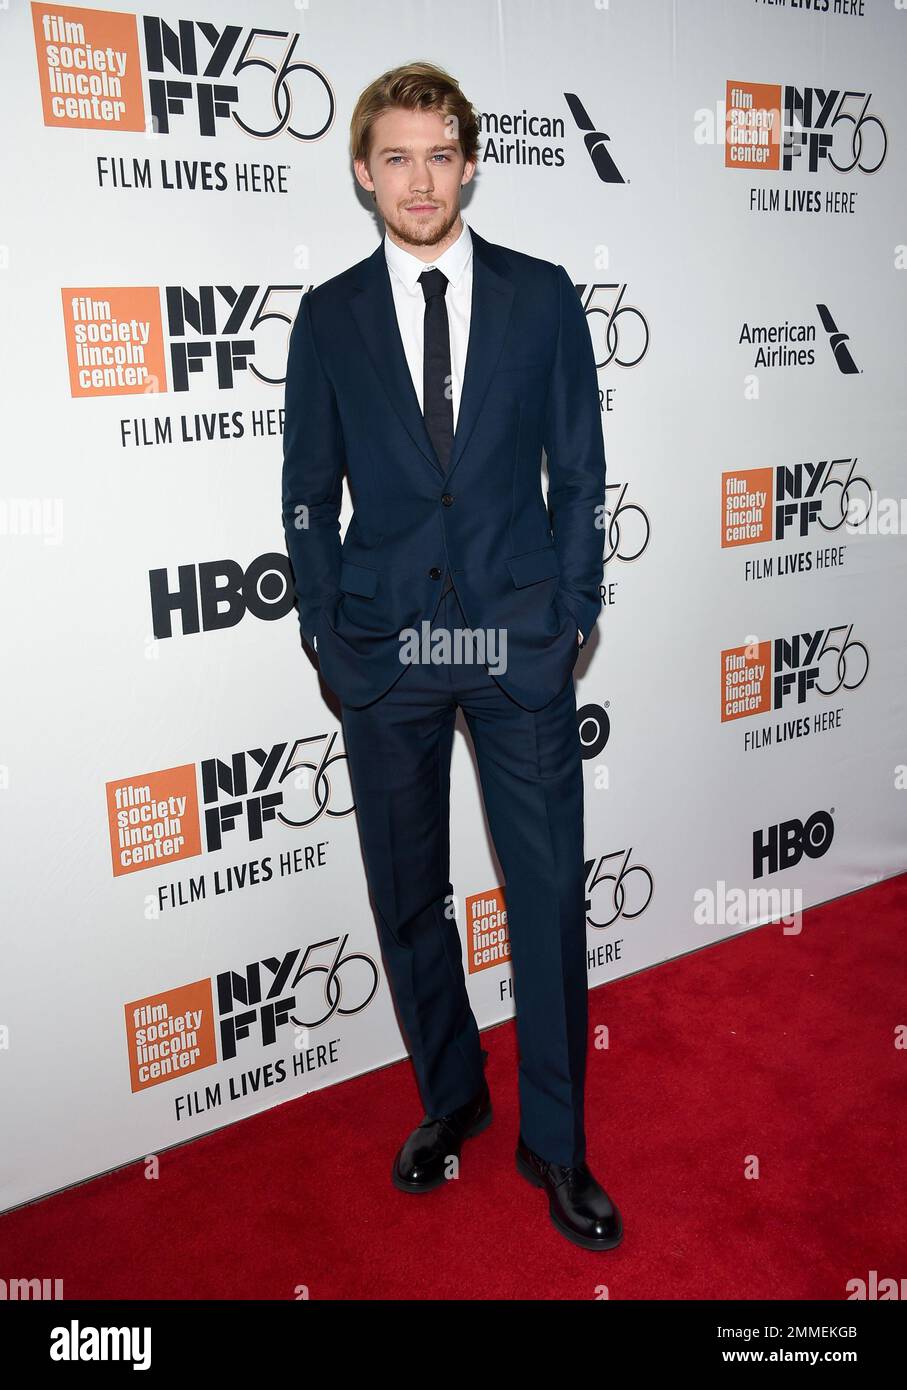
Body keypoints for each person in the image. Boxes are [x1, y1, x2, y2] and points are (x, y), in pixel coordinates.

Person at [282, 60, 621, 1251]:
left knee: (545, 902)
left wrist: (570, 609)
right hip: (388, 652)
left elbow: (578, 473)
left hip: (516, 644)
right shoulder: (327, 318)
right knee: (410, 895)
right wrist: (327, 625)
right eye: (395, 158)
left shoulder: (540, 297)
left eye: (439, 154)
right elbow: (306, 496)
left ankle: (557, 1144)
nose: (419, 180)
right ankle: (452, 1097)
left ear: (470, 161)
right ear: (363, 172)